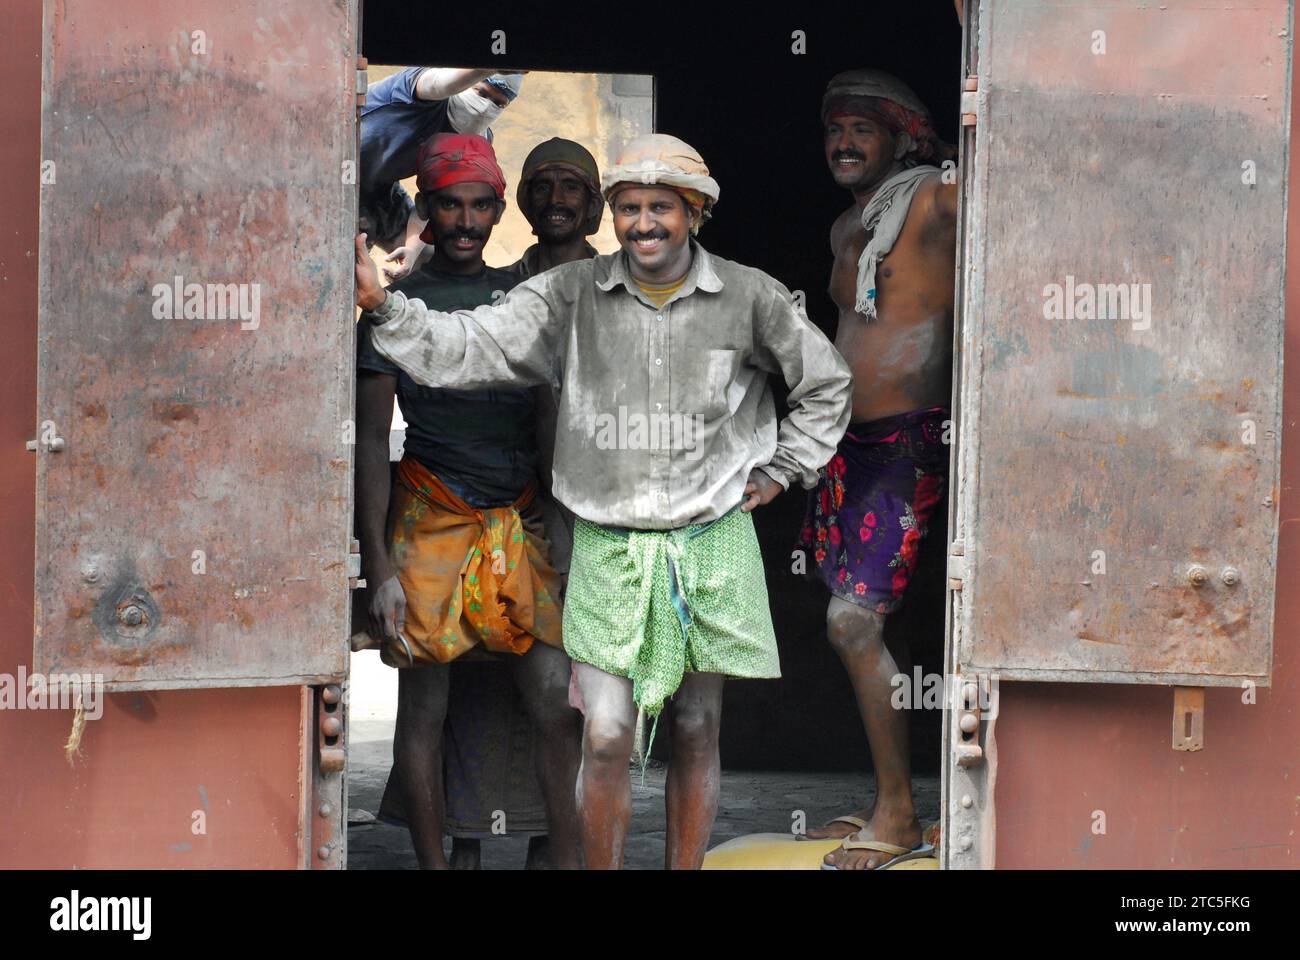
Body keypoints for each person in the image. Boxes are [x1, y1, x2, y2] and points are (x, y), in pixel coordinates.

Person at [353, 133, 852, 870]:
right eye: (628, 208)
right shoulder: (569, 294)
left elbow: (827, 383)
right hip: (608, 543)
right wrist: (388, 308)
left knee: (693, 724)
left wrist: (785, 468)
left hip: (709, 536)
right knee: (608, 729)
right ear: (610, 216)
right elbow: (475, 344)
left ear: (695, 213)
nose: (643, 223)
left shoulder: (749, 296)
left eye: (660, 208)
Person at [355, 132, 581, 870]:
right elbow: (369, 443)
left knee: (555, 695)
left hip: (519, 518)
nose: (464, 221)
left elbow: (552, 422)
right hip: (428, 514)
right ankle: (437, 862)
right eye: (449, 205)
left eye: (480, 206)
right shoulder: (394, 307)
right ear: (425, 207)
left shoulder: (524, 301)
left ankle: (559, 851)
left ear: (498, 210)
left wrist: (565, 531)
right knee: (425, 707)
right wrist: (379, 566)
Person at [795, 69, 958, 870]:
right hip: (846, 447)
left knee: (851, 624)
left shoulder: (932, 202)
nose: (844, 142)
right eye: (835, 130)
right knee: (852, 626)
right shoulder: (845, 228)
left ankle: (898, 815)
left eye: (863, 129)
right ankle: (886, 796)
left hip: (910, 441)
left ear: (904, 138)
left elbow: (1007, 183)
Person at [358, 66, 523, 279]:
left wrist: (411, 250)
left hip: (379, 191)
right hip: (326, 171)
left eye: (498, 103)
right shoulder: (415, 87)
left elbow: (435, 196)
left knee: (434, 263)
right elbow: (440, 83)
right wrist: (488, 66)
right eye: (481, 92)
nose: (485, 107)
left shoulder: (473, 142)